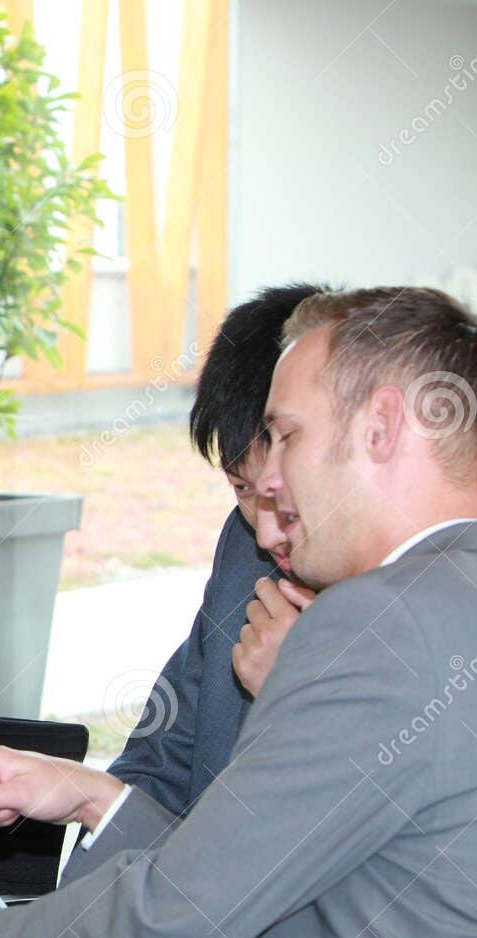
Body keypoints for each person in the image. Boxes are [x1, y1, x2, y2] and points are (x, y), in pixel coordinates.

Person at [0, 286, 477, 938]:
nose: (268, 478)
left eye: (285, 436)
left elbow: (181, 909)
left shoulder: (375, 625)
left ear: (381, 426)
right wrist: (97, 797)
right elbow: (267, 873)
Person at [110, 284, 325, 814]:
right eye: (242, 489)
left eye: (282, 494)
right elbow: (160, 763)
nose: (266, 528)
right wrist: (89, 802)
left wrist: (298, 698)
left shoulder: (448, 585)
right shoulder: (245, 551)